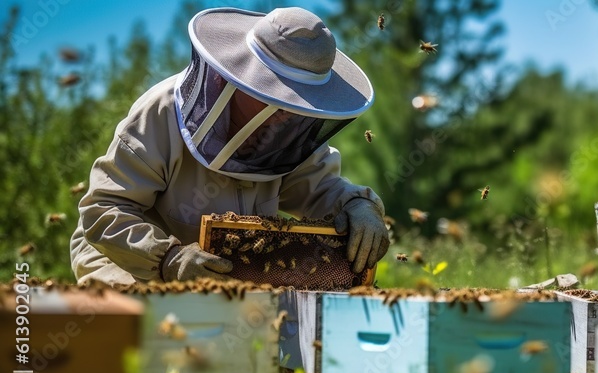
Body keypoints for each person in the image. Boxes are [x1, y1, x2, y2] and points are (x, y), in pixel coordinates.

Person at [69, 6, 389, 286]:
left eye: (298, 105)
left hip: (227, 281)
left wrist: (355, 204)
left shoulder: (291, 129)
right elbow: (104, 211)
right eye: (276, 98)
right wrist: (168, 258)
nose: (284, 116)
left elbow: (317, 188)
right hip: (128, 265)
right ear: (237, 77)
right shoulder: (163, 113)